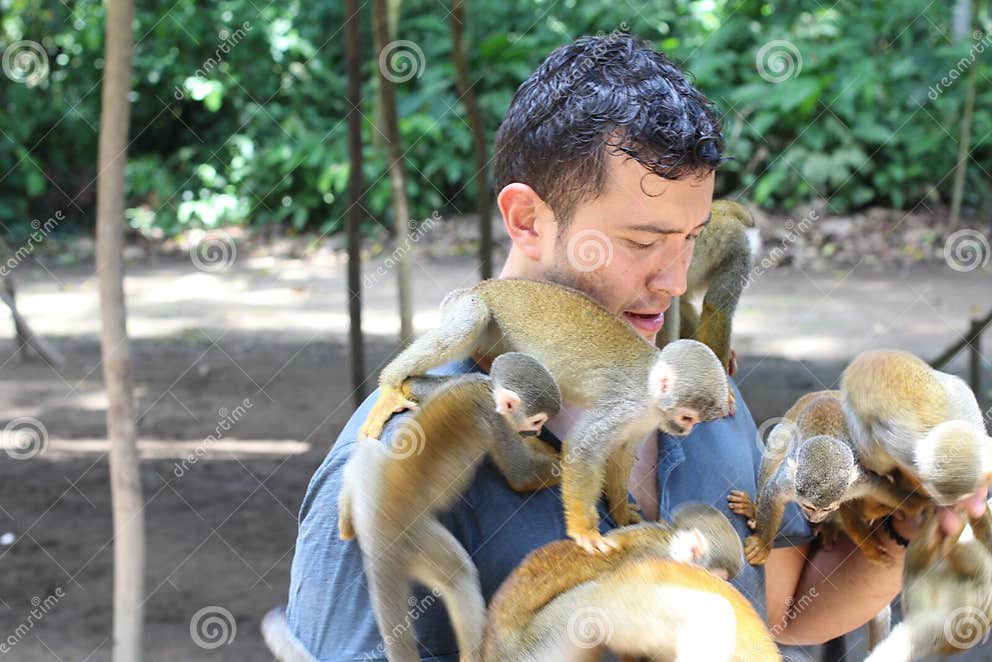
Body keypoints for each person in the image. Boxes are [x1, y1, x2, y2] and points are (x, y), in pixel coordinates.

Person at [281, 33, 953, 660]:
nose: (676, 282)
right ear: (527, 220)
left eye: (690, 240)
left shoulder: (695, 395)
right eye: (641, 243)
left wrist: (905, 528)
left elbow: (781, 607)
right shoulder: (398, 460)